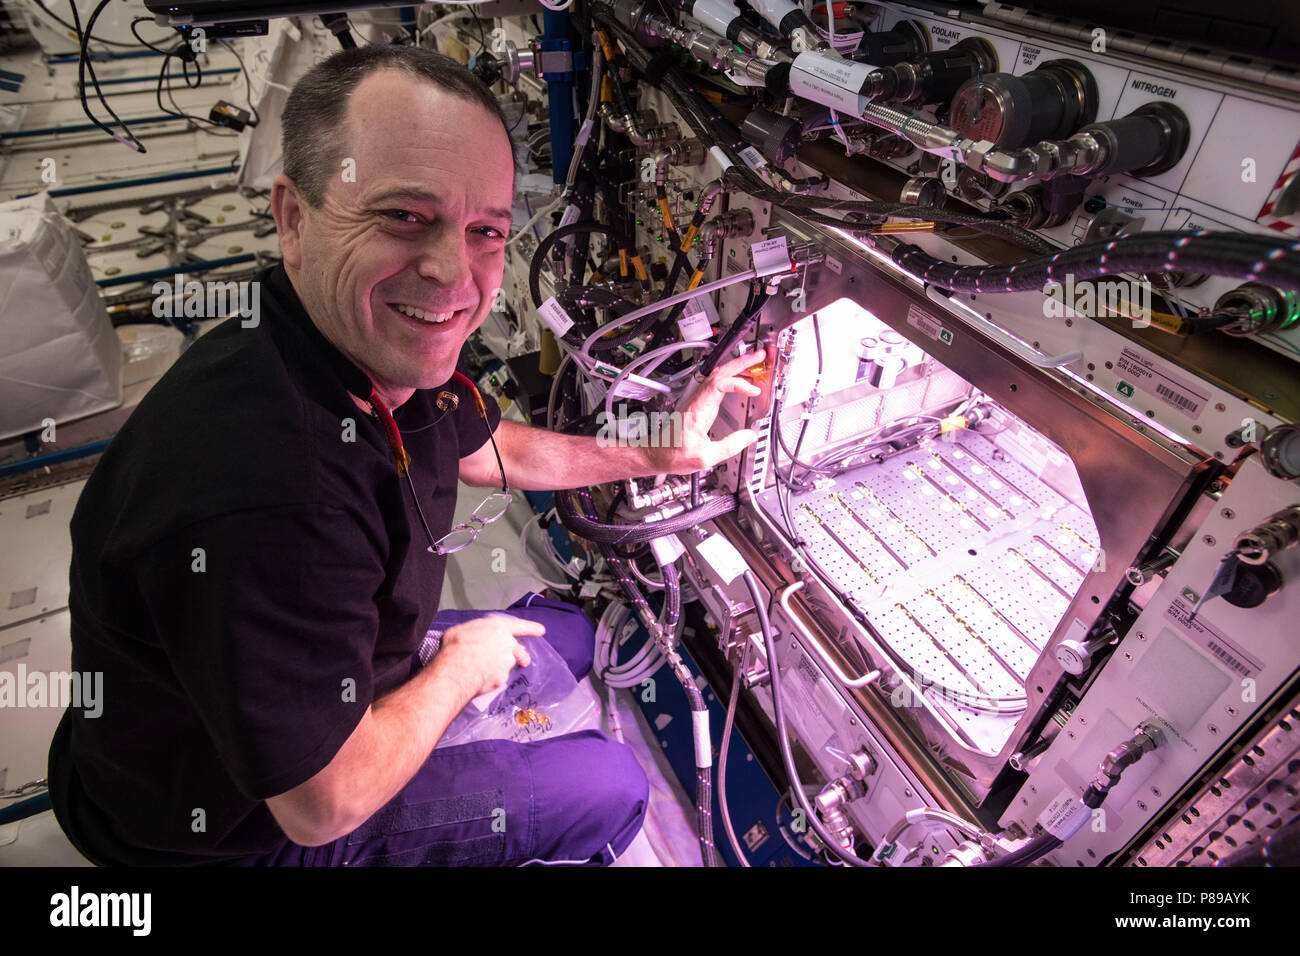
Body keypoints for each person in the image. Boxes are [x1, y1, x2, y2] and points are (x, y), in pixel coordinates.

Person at [47, 45, 763, 866]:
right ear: (292, 216)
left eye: (486, 230)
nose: (454, 275)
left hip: (261, 710)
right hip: (231, 830)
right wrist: (456, 671)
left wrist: (657, 449)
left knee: (562, 634)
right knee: (607, 783)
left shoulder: (352, 336)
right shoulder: (273, 494)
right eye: (403, 216)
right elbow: (324, 805)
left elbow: (494, 447)